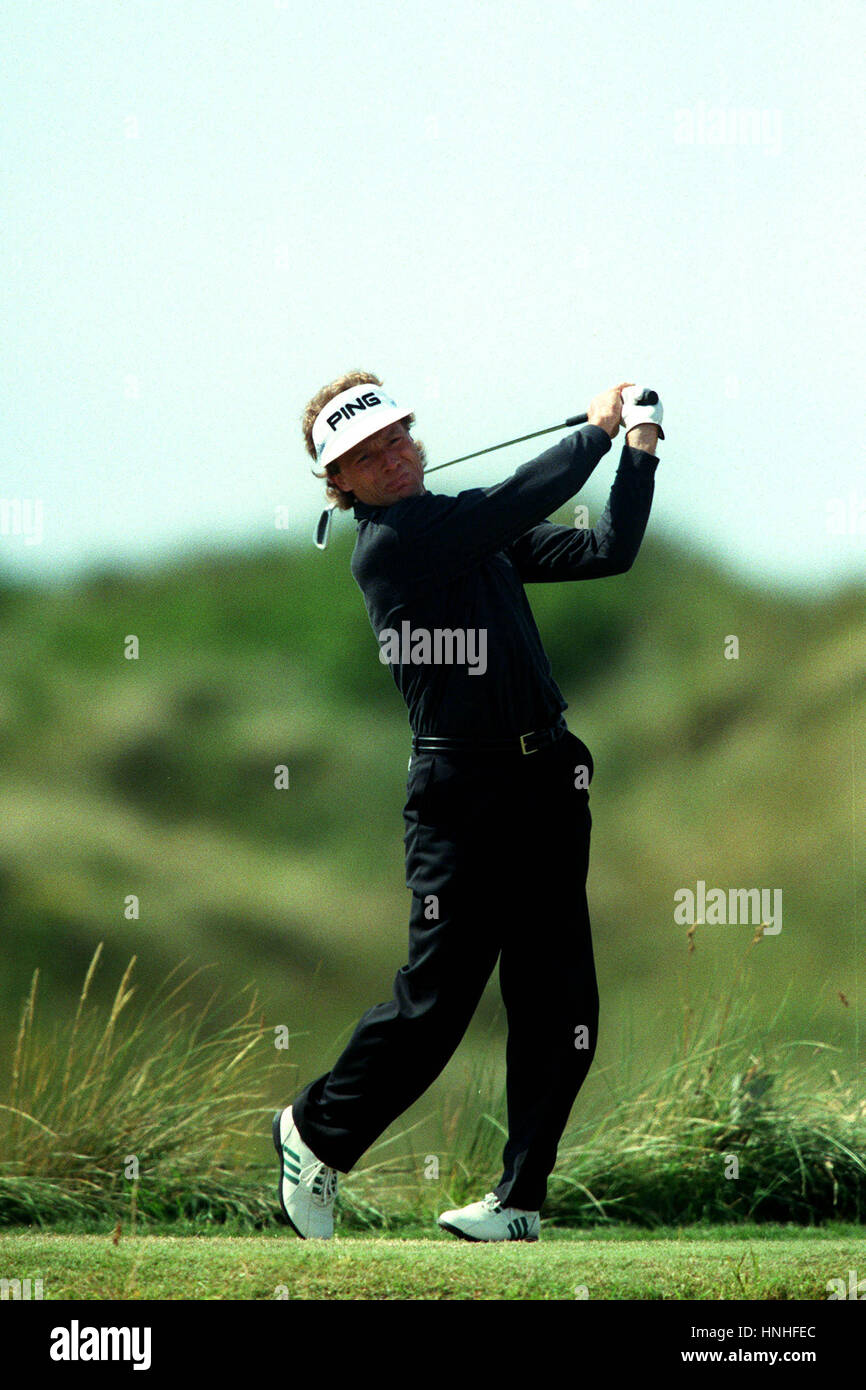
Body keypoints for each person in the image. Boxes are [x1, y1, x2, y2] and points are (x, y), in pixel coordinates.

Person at [273, 372, 663, 1240]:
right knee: (438, 1000)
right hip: (461, 798)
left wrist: (639, 451)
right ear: (341, 486)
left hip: (547, 779)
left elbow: (608, 550)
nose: (393, 459)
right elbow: (520, 498)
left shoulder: (462, 532)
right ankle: (316, 1131)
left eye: (398, 439)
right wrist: (598, 430)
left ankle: (520, 1201)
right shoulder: (395, 544)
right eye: (367, 457)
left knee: (561, 999)